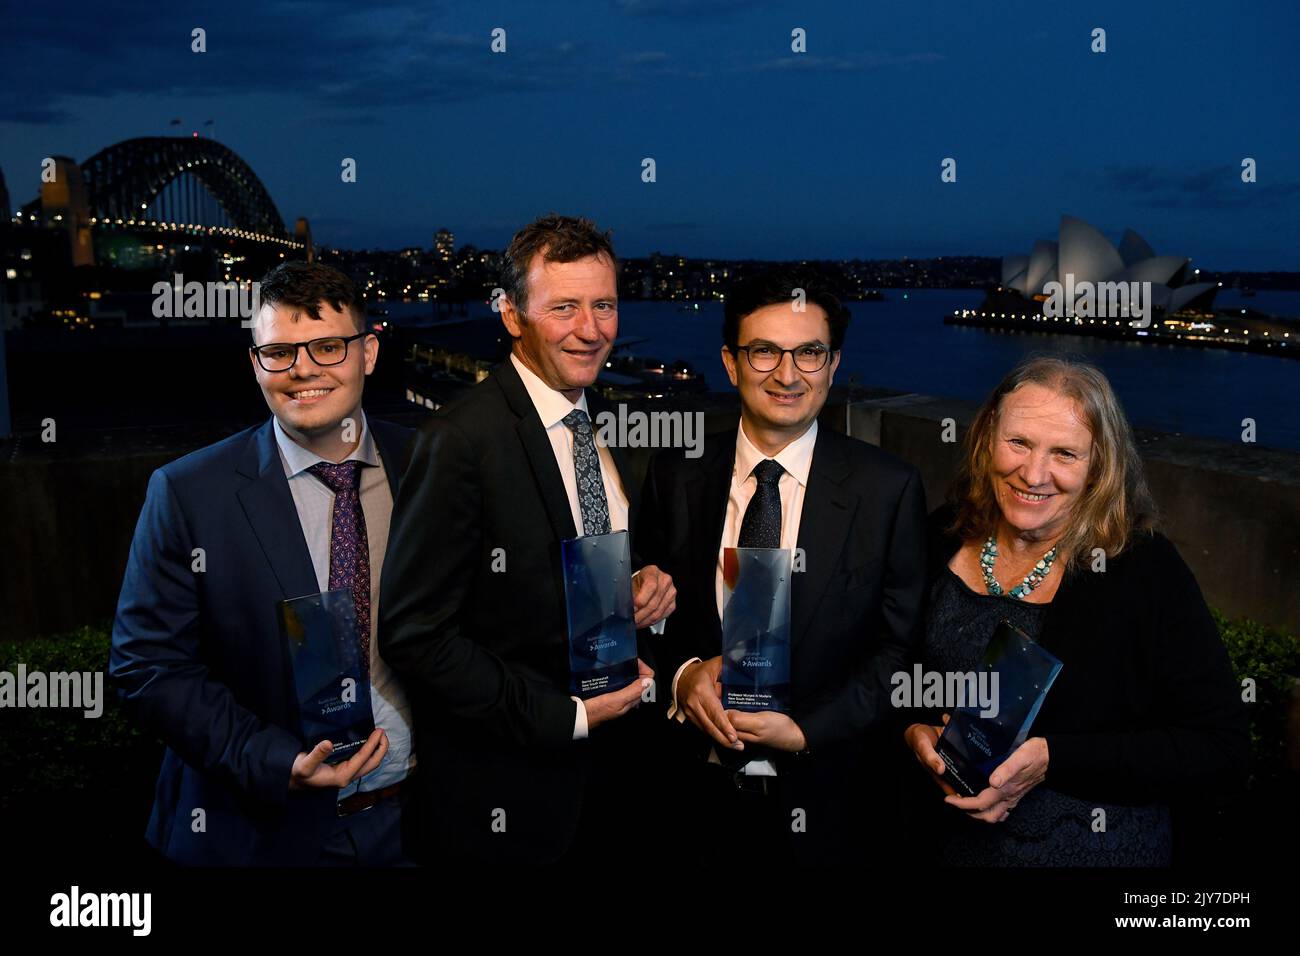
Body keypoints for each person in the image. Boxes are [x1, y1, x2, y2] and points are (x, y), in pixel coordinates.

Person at [378, 214, 676, 864]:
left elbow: (563, 559)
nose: (592, 329)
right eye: (564, 307)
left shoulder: (587, 421)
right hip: (508, 802)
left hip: (613, 783)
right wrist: (560, 717)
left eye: (604, 305)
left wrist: (639, 584)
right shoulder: (459, 441)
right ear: (512, 315)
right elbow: (414, 634)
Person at [110, 261, 416, 865]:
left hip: (417, 825)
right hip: (257, 837)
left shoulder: (430, 464)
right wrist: (274, 761)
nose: (304, 369)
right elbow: (146, 665)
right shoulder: (188, 492)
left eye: (329, 346)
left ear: (369, 352)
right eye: (279, 351)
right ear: (256, 364)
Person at [903, 356, 1249, 866]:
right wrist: (913, 729)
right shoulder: (943, 532)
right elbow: (899, 671)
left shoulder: (1143, 569)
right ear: (985, 439)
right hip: (943, 843)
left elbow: (1221, 749)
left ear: (1099, 468)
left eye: (1065, 453)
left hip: (1090, 849)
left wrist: (1053, 759)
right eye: (1018, 442)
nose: (1034, 473)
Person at [636, 268, 927, 864]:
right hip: (688, 799)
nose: (788, 374)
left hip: (830, 806)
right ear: (730, 361)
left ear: (834, 363)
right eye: (765, 351)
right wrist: (685, 674)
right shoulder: (675, 475)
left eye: (809, 353)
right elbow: (643, 612)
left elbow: (901, 653)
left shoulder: (887, 489)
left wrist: (804, 731)